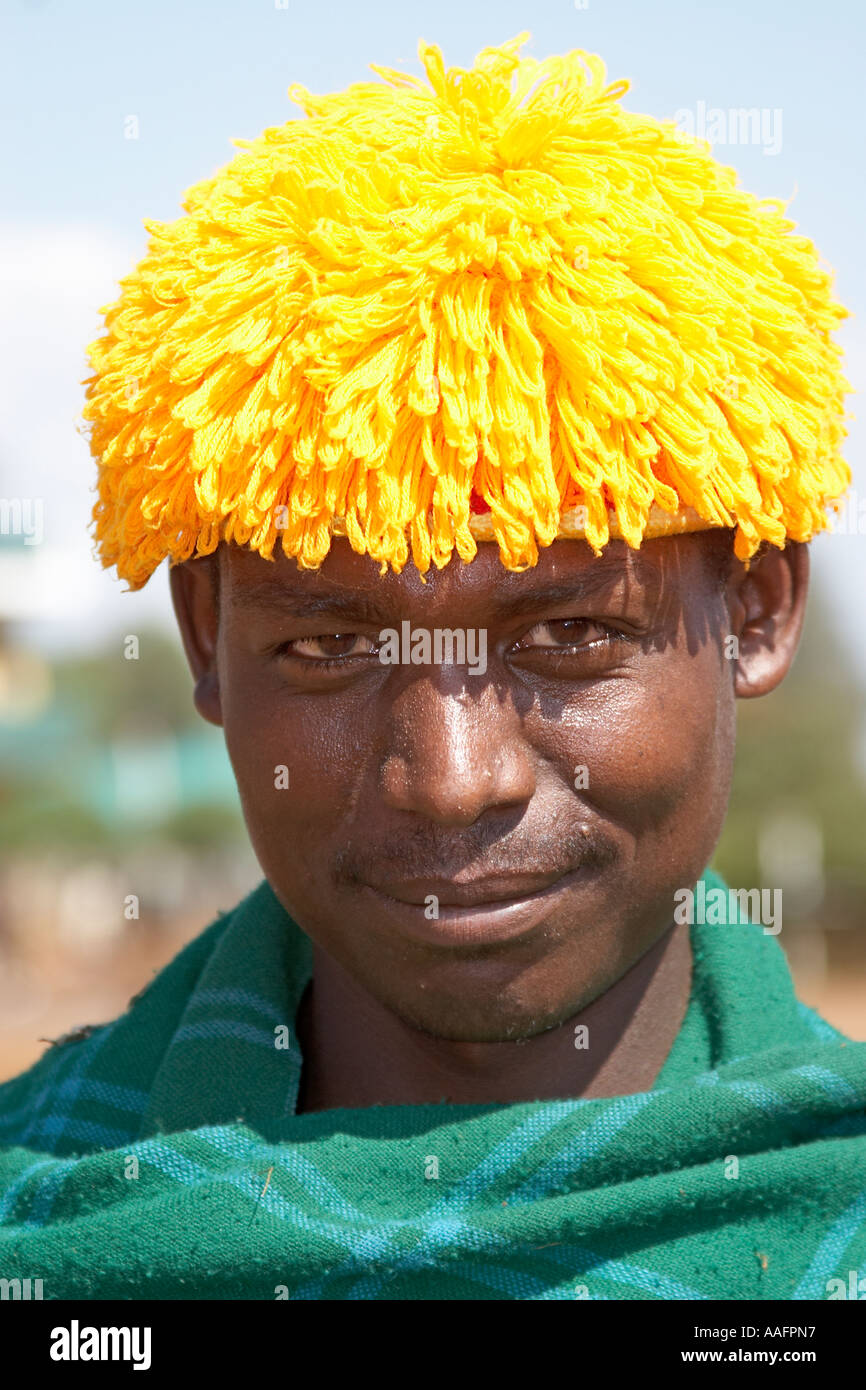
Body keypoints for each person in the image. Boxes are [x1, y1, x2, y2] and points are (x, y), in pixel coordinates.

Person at [1, 32, 863, 1302]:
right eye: (330, 645)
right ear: (204, 644)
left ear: (756, 609)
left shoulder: (823, 1223)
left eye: (568, 636)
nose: (453, 781)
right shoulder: (47, 1216)